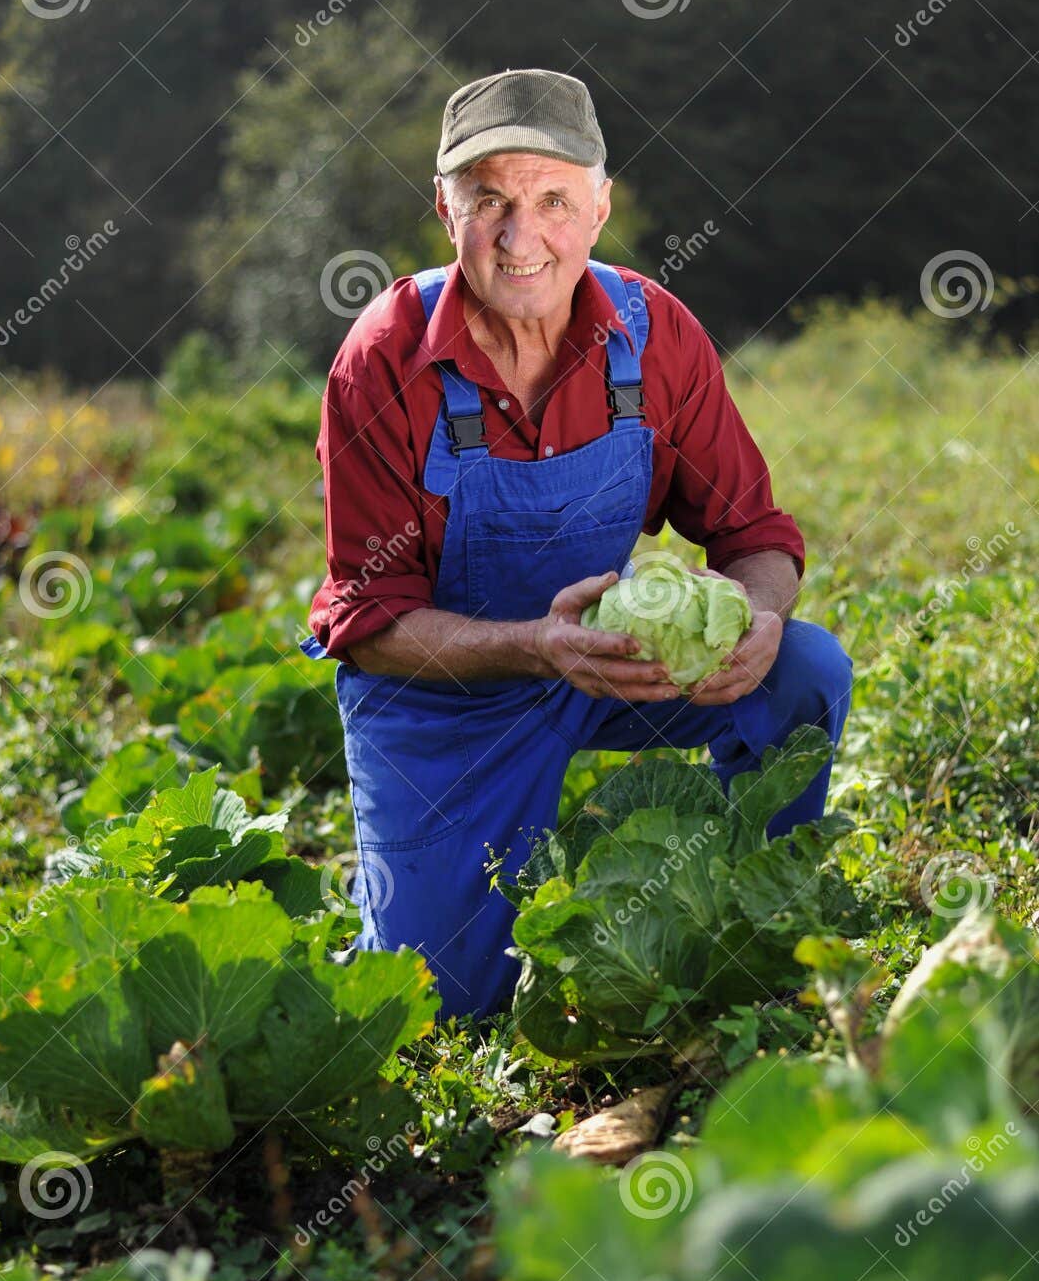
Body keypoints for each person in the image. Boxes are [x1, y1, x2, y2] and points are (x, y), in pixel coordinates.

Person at [302, 67, 852, 1021]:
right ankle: (419, 885)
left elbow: (752, 534)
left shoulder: (653, 335)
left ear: (599, 208)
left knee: (803, 672)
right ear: (444, 209)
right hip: (444, 702)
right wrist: (535, 646)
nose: (521, 239)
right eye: (489, 201)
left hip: (611, 666)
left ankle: (758, 906)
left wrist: (760, 614)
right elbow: (368, 621)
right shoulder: (386, 357)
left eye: (553, 200)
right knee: (445, 1007)